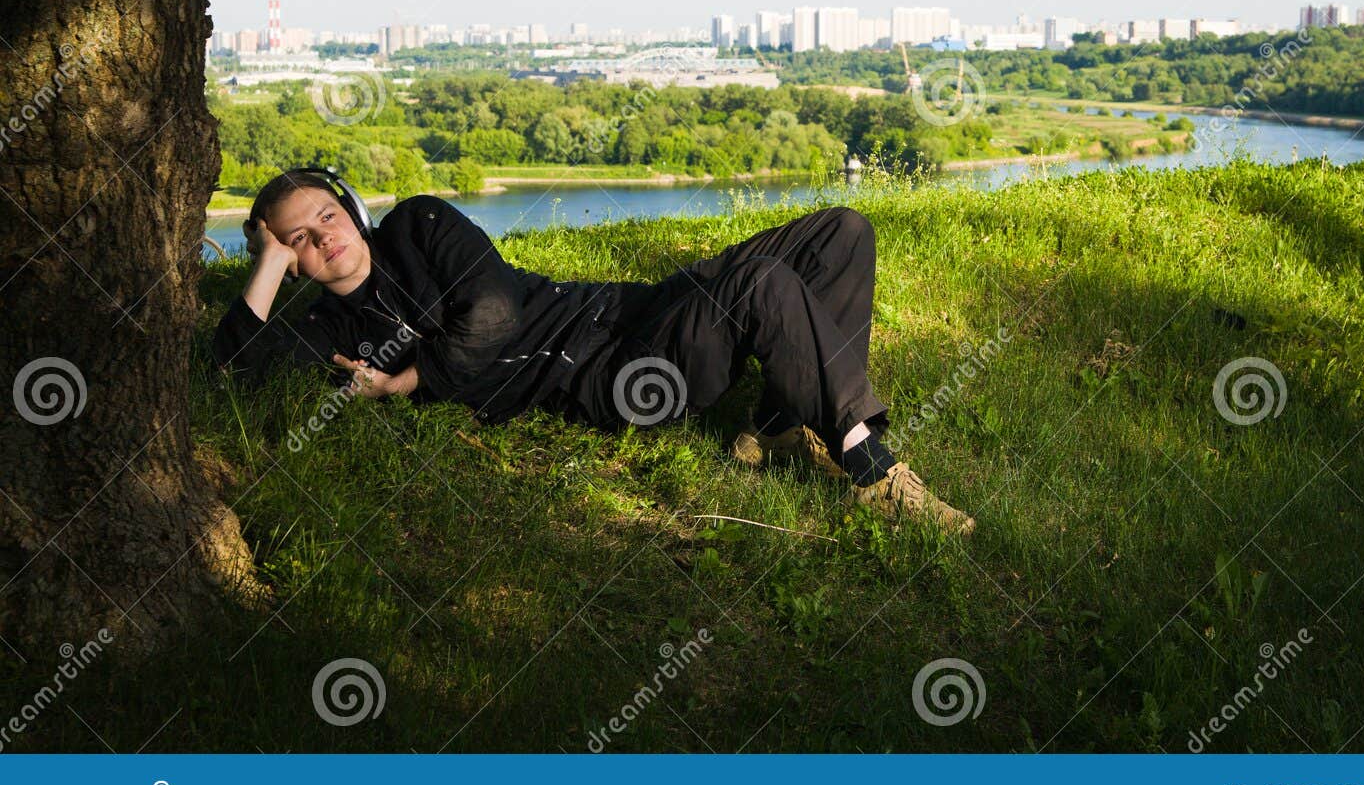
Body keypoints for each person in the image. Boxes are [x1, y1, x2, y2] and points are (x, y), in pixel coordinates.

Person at [212, 168, 975, 536]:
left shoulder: (415, 224)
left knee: (842, 232)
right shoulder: (328, 329)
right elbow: (237, 374)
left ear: (348, 204)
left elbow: (493, 306)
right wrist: (268, 266)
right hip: (611, 378)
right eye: (299, 240)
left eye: (324, 215)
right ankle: (867, 462)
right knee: (765, 284)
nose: (323, 238)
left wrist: (410, 378)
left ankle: (780, 422)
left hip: (623, 306)